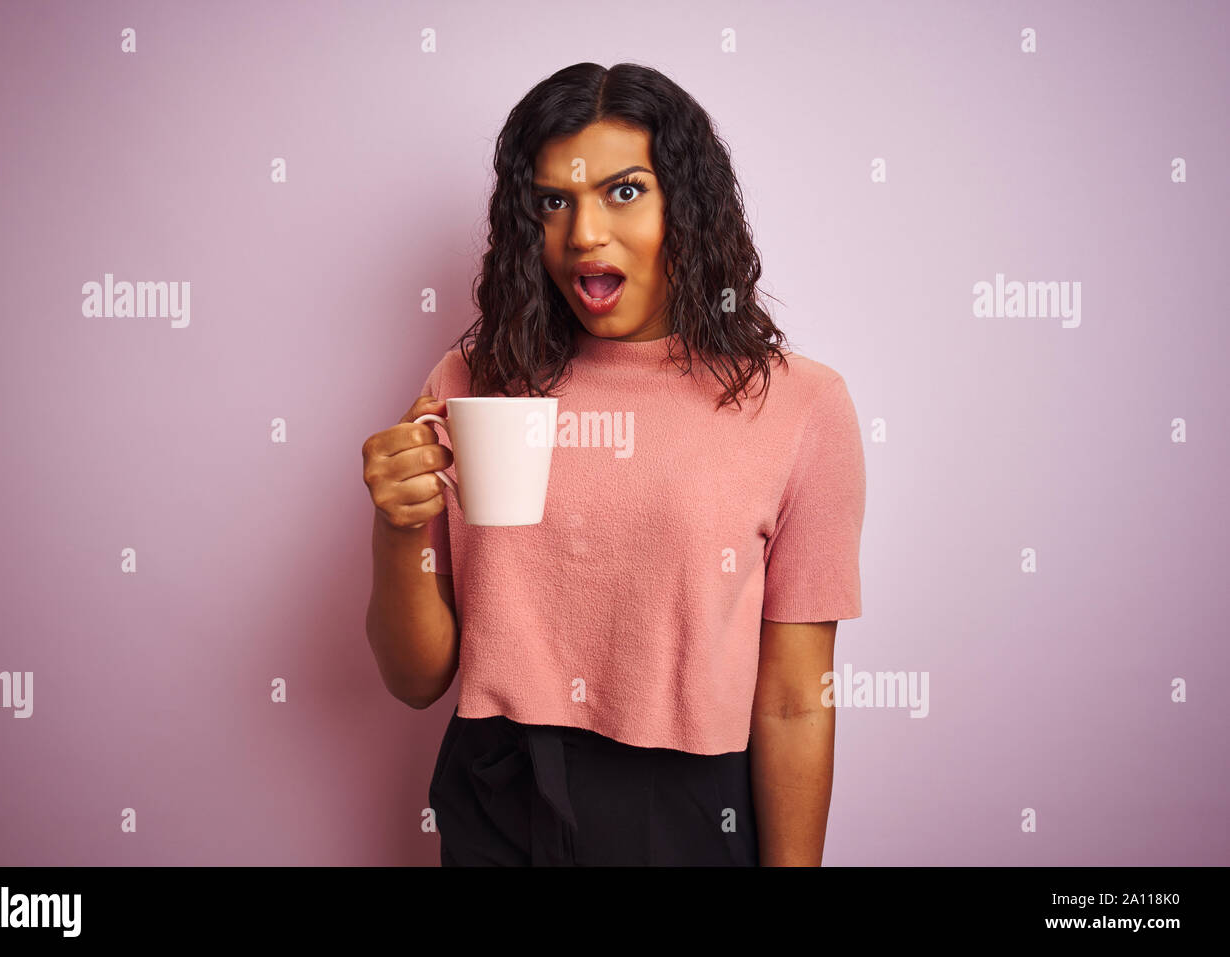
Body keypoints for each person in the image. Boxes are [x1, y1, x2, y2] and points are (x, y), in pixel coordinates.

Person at [362, 62, 866, 866]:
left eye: (624, 192)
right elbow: (416, 678)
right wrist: (395, 527)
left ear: (687, 207)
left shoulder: (801, 405)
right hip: (498, 790)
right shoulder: (467, 385)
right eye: (553, 201)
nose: (584, 233)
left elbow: (796, 700)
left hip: (692, 808)